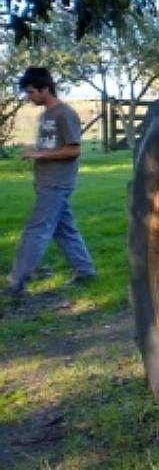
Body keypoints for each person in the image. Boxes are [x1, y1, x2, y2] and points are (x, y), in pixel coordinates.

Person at [4, 67, 97, 298]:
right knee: (65, 230)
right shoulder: (45, 115)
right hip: (45, 181)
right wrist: (37, 152)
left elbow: (73, 150)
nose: (29, 97)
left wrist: (39, 155)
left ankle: (16, 281)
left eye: (31, 92)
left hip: (57, 182)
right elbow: (50, 147)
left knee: (36, 230)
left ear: (45, 89)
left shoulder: (65, 114)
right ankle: (86, 272)